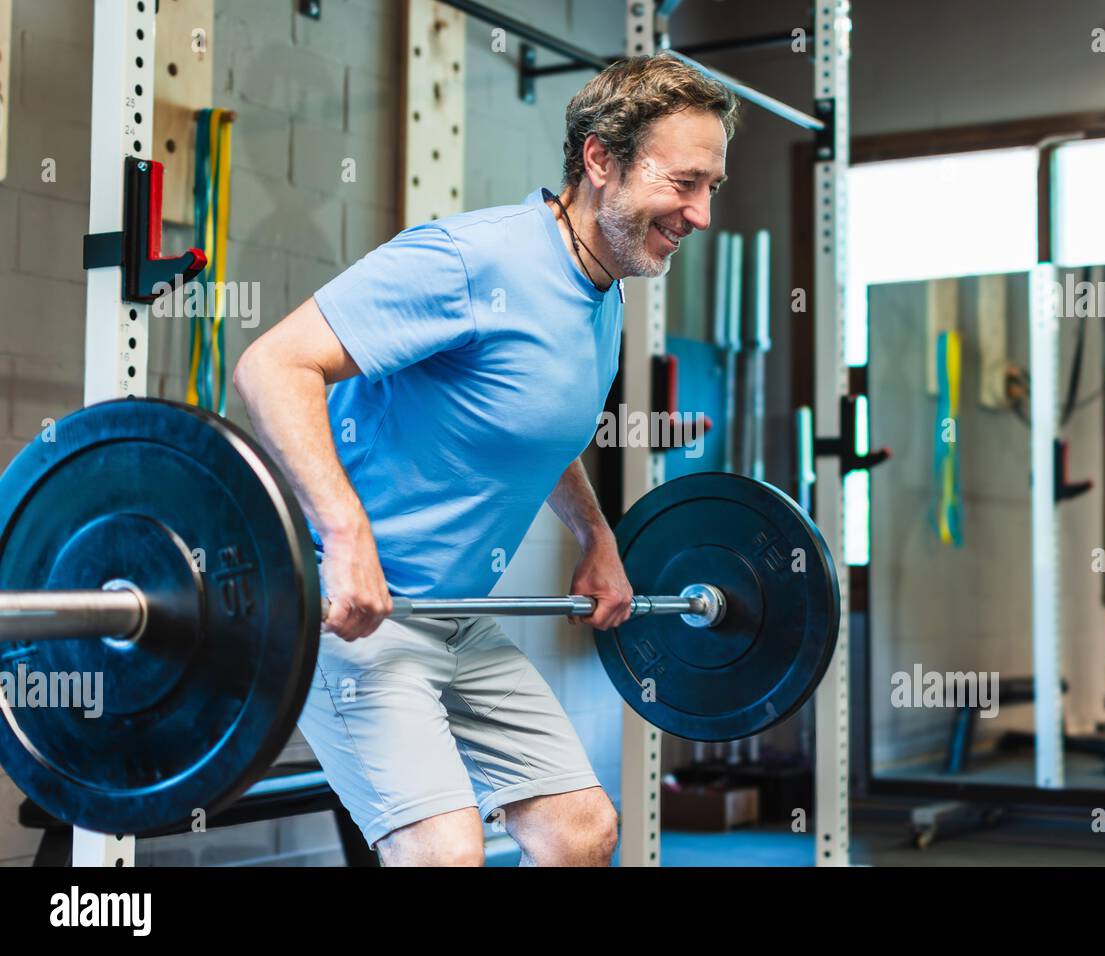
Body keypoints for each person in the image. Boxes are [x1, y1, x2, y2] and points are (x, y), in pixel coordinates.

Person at [232, 53, 737, 866]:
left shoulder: (601, 291)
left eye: (713, 186)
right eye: (683, 182)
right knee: (445, 854)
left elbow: (541, 428)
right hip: (352, 617)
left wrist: (596, 537)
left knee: (582, 833)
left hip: (455, 619)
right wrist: (347, 535)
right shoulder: (468, 261)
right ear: (601, 161)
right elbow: (272, 365)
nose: (702, 212)